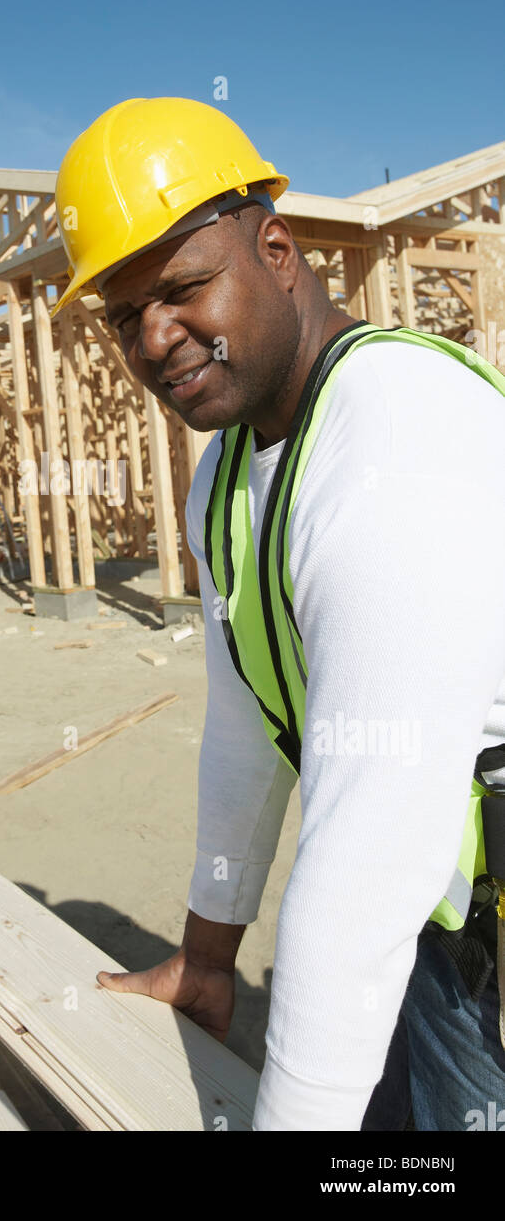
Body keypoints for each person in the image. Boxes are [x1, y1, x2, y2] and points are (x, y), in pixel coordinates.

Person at [52, 96, 505, 1131]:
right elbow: (241, 735)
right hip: (428, 925)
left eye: (181, 287)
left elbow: (364, 864)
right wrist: (209, 959)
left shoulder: (395, 442)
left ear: (275, 248)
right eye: (124, 315)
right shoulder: (223, 478)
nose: (155, 339)